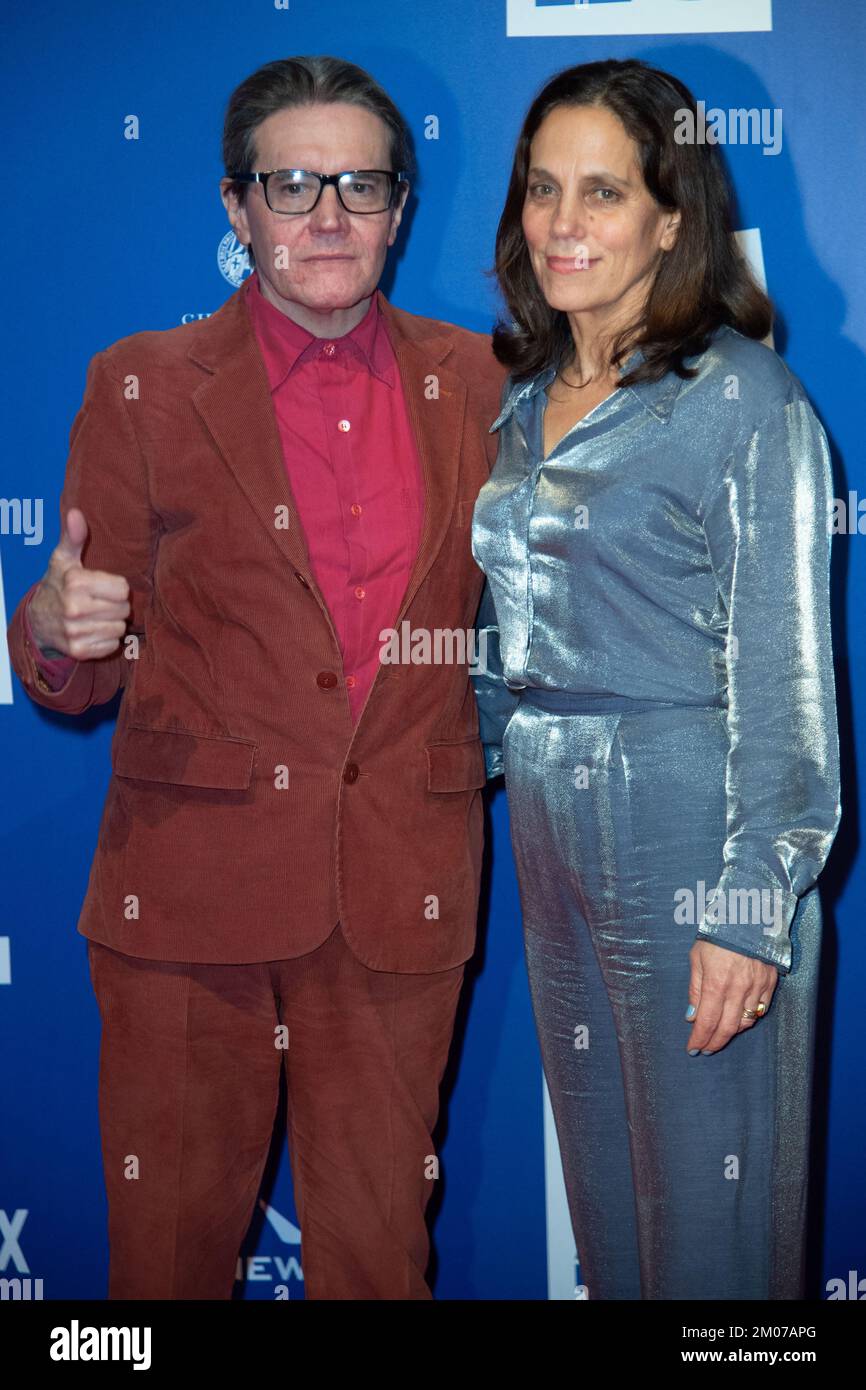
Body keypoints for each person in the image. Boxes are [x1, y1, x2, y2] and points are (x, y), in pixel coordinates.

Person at [7, 54, 504, 1300]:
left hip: (400, 893)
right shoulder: (143, 389)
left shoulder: (487, 385)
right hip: (190, 902)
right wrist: (55, 632)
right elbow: (76, 653)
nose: (328, 215)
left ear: (401, 206)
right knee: (165, 1271)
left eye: (359, 184)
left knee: (377, 1268)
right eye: (291, 185)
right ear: (236, 209)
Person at [471, 58, 841, 1299]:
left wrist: (748, 904)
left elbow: (785, 673)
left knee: (710, 1237)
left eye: (602, 193)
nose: (562, 224)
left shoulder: (742, 397)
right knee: (614, 1221)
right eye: (540, 189)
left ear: (670, 219)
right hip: (545, 819)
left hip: (694, 823)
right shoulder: (523, 400)